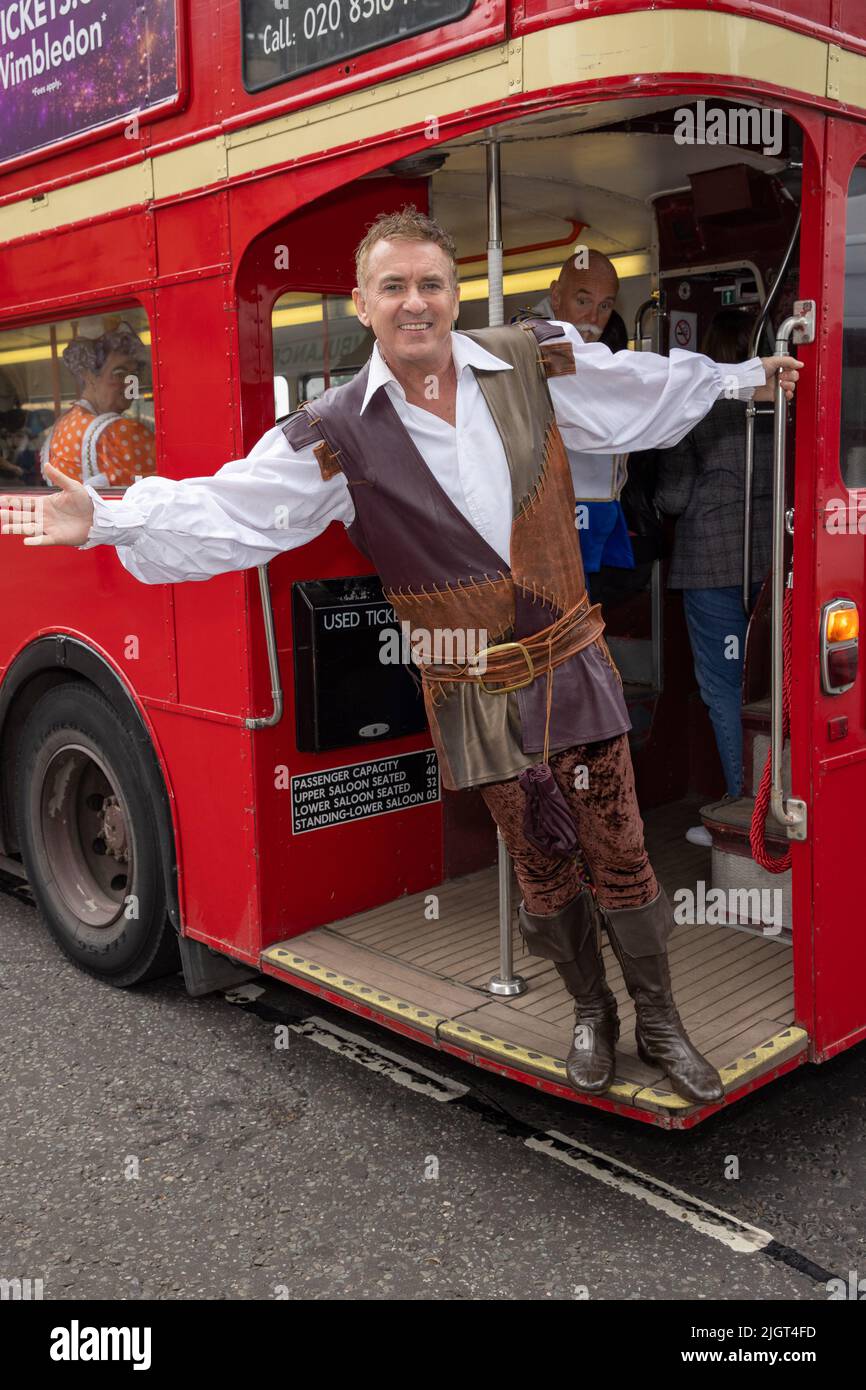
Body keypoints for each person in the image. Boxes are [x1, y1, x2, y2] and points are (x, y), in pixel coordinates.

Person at [0, 208, 800, 1105]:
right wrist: (107, 518)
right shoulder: (335, 429)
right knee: (542, 867)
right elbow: (239, 507)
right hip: (476, 688)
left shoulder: (528, 359)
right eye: (394, 287)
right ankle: (590, 1015)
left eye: (429, 284)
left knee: (622, 852)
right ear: (362, 302)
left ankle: (660, 1023)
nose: (414, 303)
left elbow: (635, 388)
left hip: (572, 662)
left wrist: (740, 376)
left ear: (453, 294)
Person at [654, 309, 773, 844]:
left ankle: (739, 806)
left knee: (723, 687)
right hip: (771, 562)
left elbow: (674, 497)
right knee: (770, 685)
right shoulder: (784, 406)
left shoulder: (697, 405)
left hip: (710, 564)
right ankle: (775, 800)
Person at [40, 319, 157, 489]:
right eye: (119, 373)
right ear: (89, 376)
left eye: (135, 373)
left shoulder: (63, 425)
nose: (131, 382)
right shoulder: (119, 432)